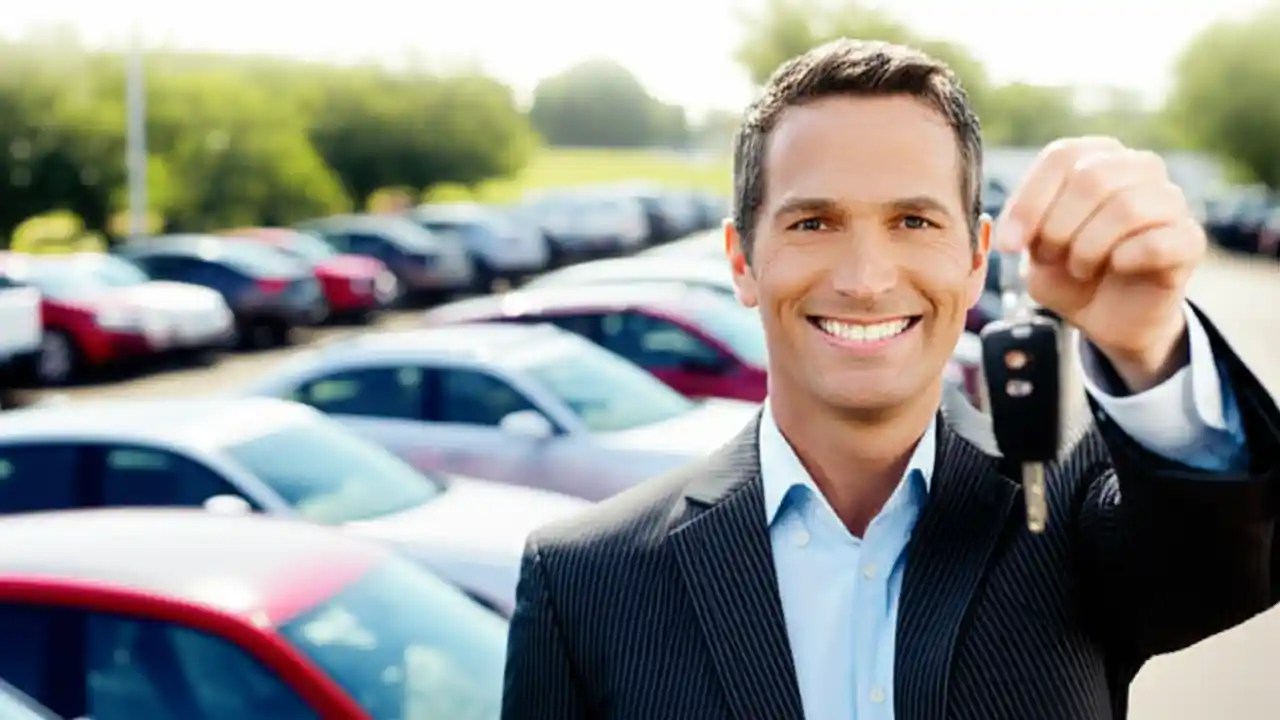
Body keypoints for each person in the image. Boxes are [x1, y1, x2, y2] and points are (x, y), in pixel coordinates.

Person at [501, 39, 1280, 720]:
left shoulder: (1068, 516)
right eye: (814, 223)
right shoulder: (586, 583)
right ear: (742, 261)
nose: (867, 280)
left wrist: (1148, 342)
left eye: (913, 221)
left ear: (978, 259)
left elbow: (1229, 565)